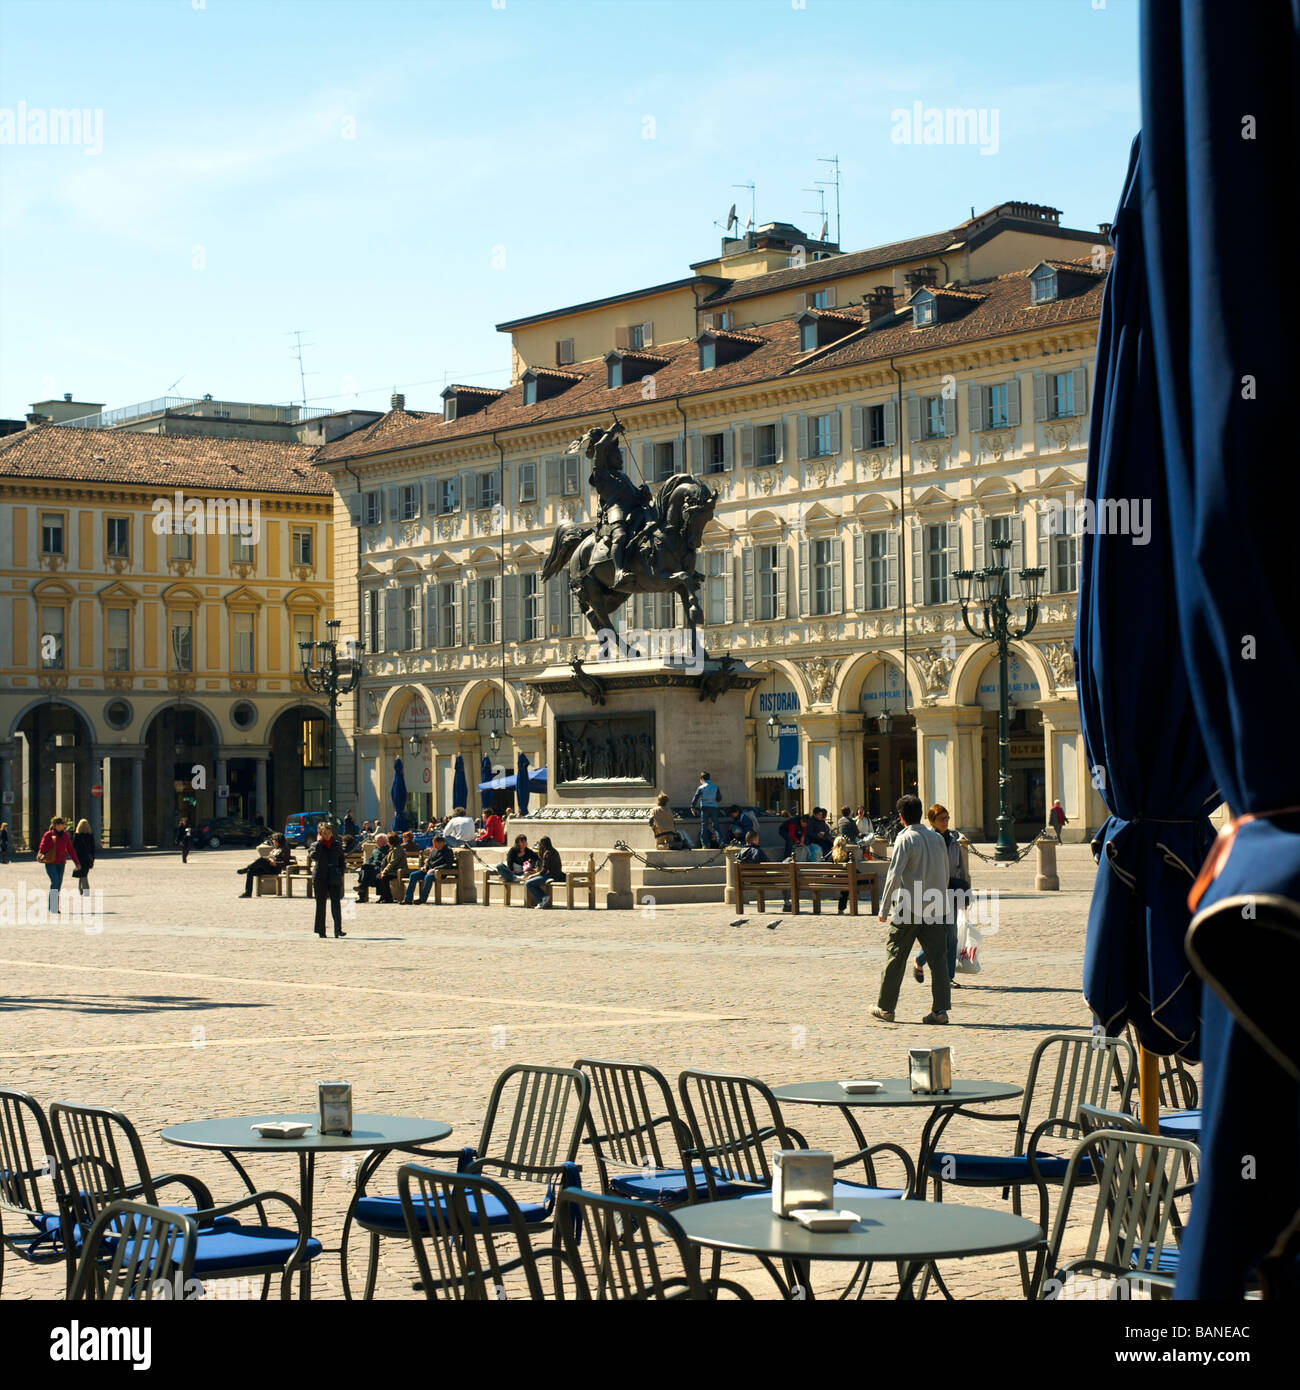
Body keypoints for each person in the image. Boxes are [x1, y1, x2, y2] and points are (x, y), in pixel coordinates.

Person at [871, 795, 952, 1026]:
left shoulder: (905, 839)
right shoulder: (937, 838)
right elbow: (945, 873)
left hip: (908, 907)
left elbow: (894, 874)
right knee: (938, 960)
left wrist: (884, 908)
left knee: (895, 956)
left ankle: (886, 1007)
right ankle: (940, 1011)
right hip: (935, 906)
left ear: (901, 817)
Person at [913, 805, 967, 990]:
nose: (945, 820)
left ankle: (948, 977)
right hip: (932, 893)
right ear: (932, 821)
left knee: (951, 936)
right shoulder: (926, 839)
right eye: (941, 818)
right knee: (936, 936)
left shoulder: (954, 840)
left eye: (947, 817)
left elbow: (961, 869)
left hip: (951, 891)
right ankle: (919, 959)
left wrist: (965, 893)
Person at [309, 821, 346, 938]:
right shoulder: (316, 845)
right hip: (320, 876)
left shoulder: (336, 844)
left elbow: (341, 860)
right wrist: (320, 843)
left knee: (336, 902)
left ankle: (338, 929)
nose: (327, 835)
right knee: (321, 904)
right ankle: (321, 930)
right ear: (320, 834)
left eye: (329, 833)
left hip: (334, 875)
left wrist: (340, 872)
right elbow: (314, 856)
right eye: (324, 833)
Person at [36, 815, 80, 910]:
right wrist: (52, 841)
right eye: (59, 823)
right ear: (55, 825)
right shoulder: (48, 834)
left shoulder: (65, 835)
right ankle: (52, 906)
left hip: (61, 863)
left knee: (58, 884)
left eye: (63, 823)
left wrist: (77, 863)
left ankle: (54, 906)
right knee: (55, 882)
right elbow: (42, 848)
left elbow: (70, 850)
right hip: (51, 862)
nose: (62, 825)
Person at [403, 835, 455, 904]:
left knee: (428, 877)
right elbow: (429, 861)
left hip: (440, 873)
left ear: (442, 843)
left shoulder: (448, 850)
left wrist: (434, 869)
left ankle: (422, 899)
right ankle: (408, 899)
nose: (435, 846)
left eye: (436, 844)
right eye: (434, 844)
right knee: (413, 875)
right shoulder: (434, 850)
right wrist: (425, 867)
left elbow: (448, 865)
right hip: (428, 871)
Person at [237, 833, 291, 898]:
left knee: (262, 859)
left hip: (275, 869)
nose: (273, 842)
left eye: (274, 840)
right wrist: (269, 859)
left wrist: (276, 863)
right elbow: (270, 856)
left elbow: (286, 862)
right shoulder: (275, 849)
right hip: (268, 868)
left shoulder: (285, 849)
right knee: (250, 871)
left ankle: (246, 868)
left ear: (278, 840)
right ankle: (248, 893)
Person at [524, 836, 565, 908]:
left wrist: (532, 876)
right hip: (558, 875)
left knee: (528, 883)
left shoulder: (547, 853)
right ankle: (543, 897)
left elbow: (543, 871)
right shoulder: (554, 851)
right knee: (533, 882)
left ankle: (541, 900)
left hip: (552, 876)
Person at [690, 771, 721, 849]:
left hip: (705, 808)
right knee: (716, 825)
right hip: (714, 808)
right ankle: (721, 842)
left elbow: (695, 798)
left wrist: (692, 808)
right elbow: (719, 799)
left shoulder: (700, 788)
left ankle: (705, 844)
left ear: (702, 779)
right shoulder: (715, 787)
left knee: (704, 826)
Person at [354, 833, 389, 903]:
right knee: (364, 870)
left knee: (364, 872)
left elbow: (385, 861)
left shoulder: (387, 849)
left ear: (384, 841)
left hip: (380, 868)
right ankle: (362, 890)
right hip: (372, 868)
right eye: (376, 840)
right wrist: (365, 865)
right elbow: (370, 859)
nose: (376, 842)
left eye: (377, 840)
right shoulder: (375, 850)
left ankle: (361, 892)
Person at [71, 818, 96, 896]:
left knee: (83, 873)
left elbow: (73, 847)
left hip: (79, 858)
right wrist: (92, 858)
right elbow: (93, 848)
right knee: (84, 873)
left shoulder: (77, 836)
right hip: (88, 858)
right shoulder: (90, 836)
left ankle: (82, 889)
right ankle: (84, 890)